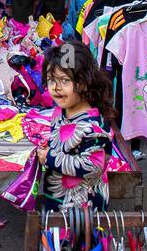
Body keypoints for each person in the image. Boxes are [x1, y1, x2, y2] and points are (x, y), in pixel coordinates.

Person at [36, 42, 115, 212]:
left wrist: (50, 158)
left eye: (65, 80)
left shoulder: (93, 128)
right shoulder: (60, 112)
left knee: (80, 238)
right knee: (55, 235)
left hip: (83, 206)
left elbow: (92, 167)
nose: (56, 87)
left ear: (84, 83)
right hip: (58, 197)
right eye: (51, 80)